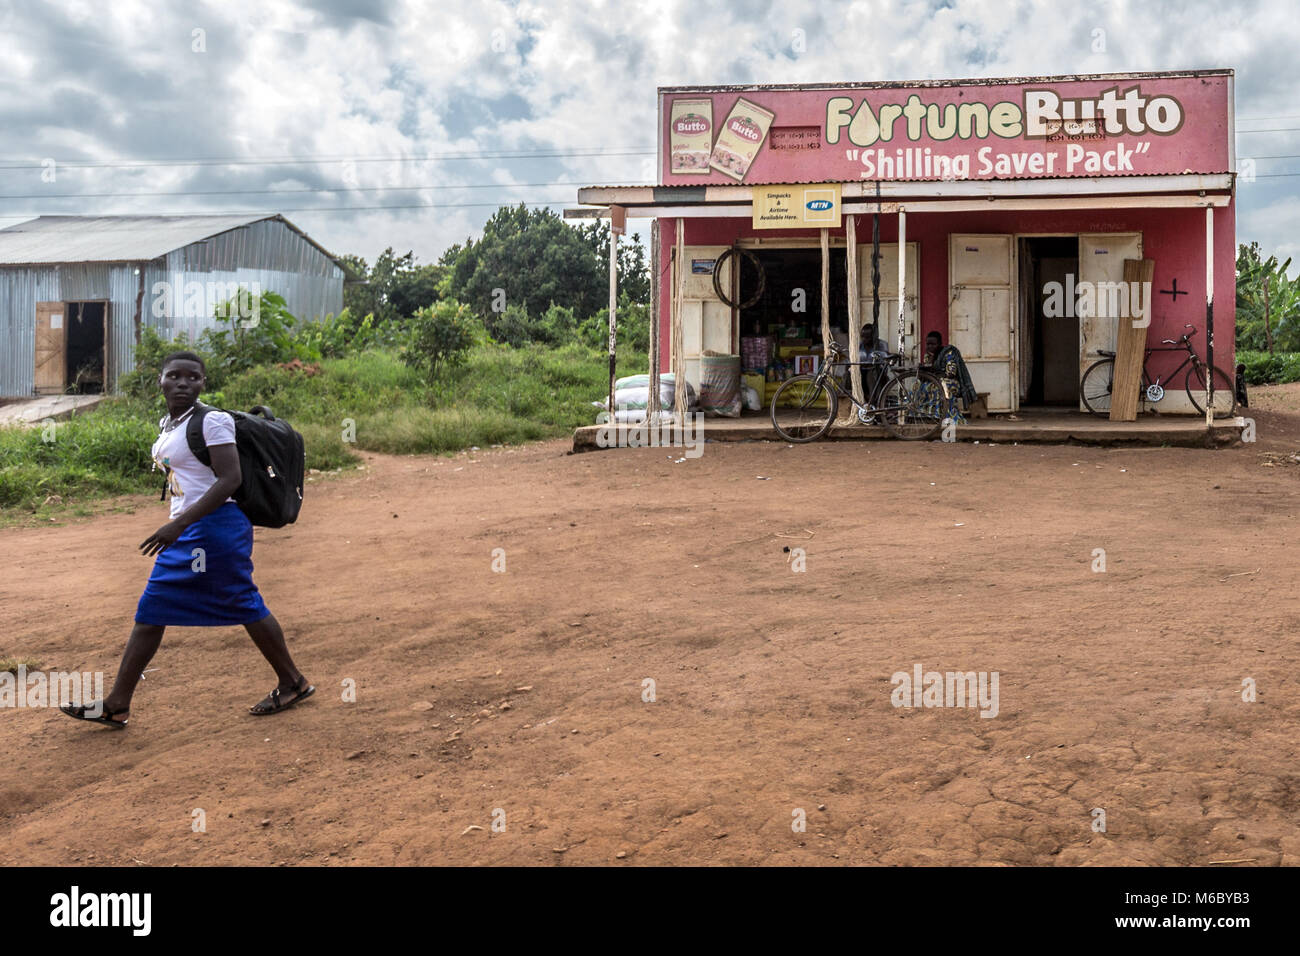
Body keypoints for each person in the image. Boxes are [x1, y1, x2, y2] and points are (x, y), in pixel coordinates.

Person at [60, 351, 312, 729]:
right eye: (174, 376)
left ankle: (293, 681)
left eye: (192, 377)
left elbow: (231, 480)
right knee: (152, 611)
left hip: (214, 529)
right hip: (190, 527)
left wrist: (178, 526)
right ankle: (117, 703)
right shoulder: (172, 423)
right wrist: (178, 522)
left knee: (240, 601)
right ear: (159, 381)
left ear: (202, 383)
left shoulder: (212, 421)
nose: (183, 383)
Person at [920, 331, 977, 425]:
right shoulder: (928, 356)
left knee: (941, 386)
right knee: (918, 386)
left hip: (951, 382)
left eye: (933, 344)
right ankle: (924, 416)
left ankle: (946, 417)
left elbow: (951, 373)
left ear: (939, 344)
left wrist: (933, 371)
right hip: (935, 380)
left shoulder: (948, 353)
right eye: (928, 344)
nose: (930, 346)